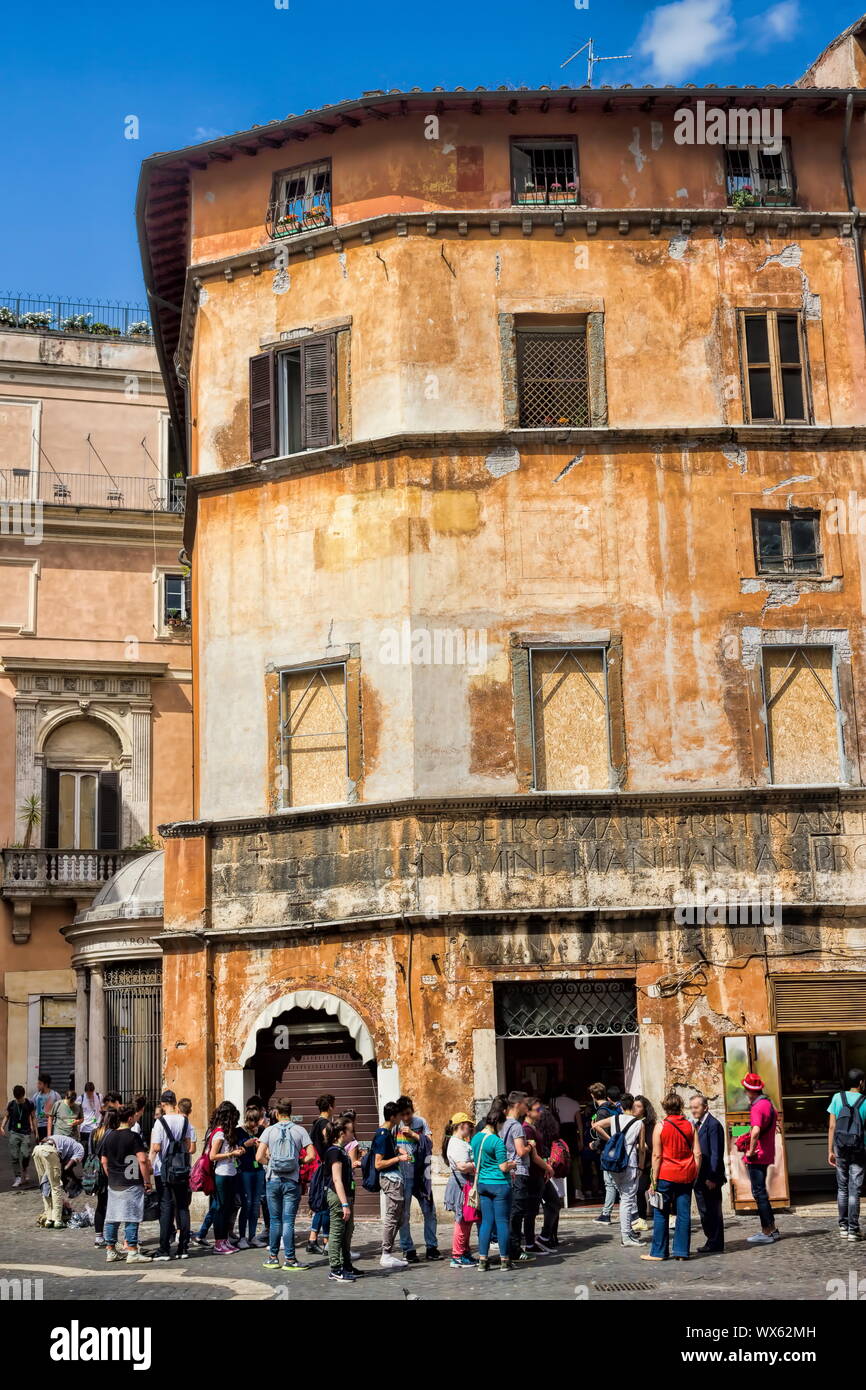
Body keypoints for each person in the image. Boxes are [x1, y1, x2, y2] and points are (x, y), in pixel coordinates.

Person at [641, 1091, 701, 1262]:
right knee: (683, 1214)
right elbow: (698, 1154)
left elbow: (656, 1156)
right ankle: (682, 1252)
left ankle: (659, 1252)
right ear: (681, 1106)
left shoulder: (661, 1126)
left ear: (665, 1107)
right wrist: (694, 1172)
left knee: (661, 1213)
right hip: (686, 1175)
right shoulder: (690, 1126)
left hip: (666, 1175)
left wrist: (653, 1180)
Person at [257, 1099, 314, 1270]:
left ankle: (273, 1258)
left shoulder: (269, 1130)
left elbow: (258, 1157)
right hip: (292, 1181)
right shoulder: (299, 1130)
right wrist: (298, 1162)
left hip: (273, 1180)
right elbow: (311, 1155)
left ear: (276, 1113)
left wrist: (271, 1162)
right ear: (290, 1112)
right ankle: (290, 1260)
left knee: (275, 1220)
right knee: (288, 1221)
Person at [592, 1091, 645, 1247]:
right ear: (633, 1106)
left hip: (615, 1163)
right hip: (630, 1163)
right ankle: (626, 1235)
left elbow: (596, 1125)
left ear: (621, 1106)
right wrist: (641, 1165)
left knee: (624, 1198)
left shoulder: (614, 1118)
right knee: (627, 1200)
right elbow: (641, 1149)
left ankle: (627, 1233)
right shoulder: (638, 1123)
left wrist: (611, 1140)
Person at [100, 1103, 151, 1263]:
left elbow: (103, 1161)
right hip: (131, 1182)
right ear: (129, 1118)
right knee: (131, 1217)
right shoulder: (133, 1136)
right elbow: (142, 1159)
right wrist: (147, 1181)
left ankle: (111, 1250)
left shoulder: (109, 1136)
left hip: (114, 1182)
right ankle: (133, 1252)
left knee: (112, 1216)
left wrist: (111, 1175)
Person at [149, 1089, 195, 1261]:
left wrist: (149, 1166)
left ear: (162, 1104)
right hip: (182, 1170)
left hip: (164, 1171)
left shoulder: (160, 1122)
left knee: (166, 1208)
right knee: (183, 1207)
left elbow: (156, 1148)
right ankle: (183, 1247)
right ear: (175, 1103)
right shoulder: (185, 1121)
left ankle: (164, 1249)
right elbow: (189, 1146)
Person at [471, 1105, 517, 1272]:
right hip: (499, 1185)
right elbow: (503, 1167)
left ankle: (483, 1260)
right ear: (497, 1122)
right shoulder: (496, 1141)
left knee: (486, 1223)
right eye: (502, 1124)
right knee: (502, 1222)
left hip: (483, 1184)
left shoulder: (475, 1138)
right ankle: (505, 1260)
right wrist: (513, 1164)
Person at [395, 1094, 441, 1261]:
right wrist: (399, 1151)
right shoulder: (395, 1125)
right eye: (403, 1115)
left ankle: (431, 1247)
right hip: (404, 1173)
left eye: (408, 1113)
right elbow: (390, 1146)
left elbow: (429, 1143)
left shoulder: (420, 1122)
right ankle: (408, 1248)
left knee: (430, 1211)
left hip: (422, 1173)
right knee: (404, 1213)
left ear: (412, 1111)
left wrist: (414, 1135)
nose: (406, 1118)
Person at [370, 1100, 413, 1268]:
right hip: (390, 1180)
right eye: (400, 1115)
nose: (402, 1118)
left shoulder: (387, 1133)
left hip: (395, 1179)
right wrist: (398, 1158)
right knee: (392, 1217)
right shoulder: (382, 1135)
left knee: (399, 1217)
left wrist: (397, 1150)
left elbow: (387, 1151)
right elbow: (378, 1164)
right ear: (393, 1117)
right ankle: (386, 1254)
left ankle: (388, 1253)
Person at [741, 1072, 781, 1246]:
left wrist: (750, 1150)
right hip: (766, 1153)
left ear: (750, 1091)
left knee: (759, 1193)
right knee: (762, 1192)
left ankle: (767, 1231)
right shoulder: (768, 1104)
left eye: (745, 1090)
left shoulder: (757, 1107)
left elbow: (756, 1130)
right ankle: (772, 1228)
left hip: (757, 1155)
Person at [828, 1068, 866, 1241]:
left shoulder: (837, 1097)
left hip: (840, 1147)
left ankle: (843, 1227)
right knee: (854, 1190)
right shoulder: (865, 1101)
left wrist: (830, 1150)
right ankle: (853, 1230)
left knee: (842, 1188)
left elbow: (832, 1127)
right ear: (860, 1082)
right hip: (859, 1149)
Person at [498, 1091, 536, 1262]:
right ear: (517, 1104)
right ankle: (514, 1250)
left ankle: (510, 1248)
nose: (526, 1107)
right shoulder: (516, 1126)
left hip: (508, 1172)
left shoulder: (502, 1124)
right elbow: (520, 1151)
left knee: (512, 1213)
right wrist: (530, 1145)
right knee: (517, 1213)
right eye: (524, 1103)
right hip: (518, 1172)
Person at [324, 1117, 360, 1282]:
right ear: (341, 1133)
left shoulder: (342, 1150)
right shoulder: (334, 1151)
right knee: (337, 1232)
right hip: (338, 1197)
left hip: (346, 1195)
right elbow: (336, 1179)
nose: (353, 1133)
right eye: (350, 1130)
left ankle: (346, 1265)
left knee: (347, 1232)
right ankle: (335, 1269)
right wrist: (344, 1203)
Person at [689, 1093, 727, 1254]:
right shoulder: (696, 1125)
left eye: (696, 1107)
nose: (693, 1111)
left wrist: (712, 1177)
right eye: (691, 1108)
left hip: (710, 1176)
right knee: (704, 1210)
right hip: (699, 1176)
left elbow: (716, 1154)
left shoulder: (713, 1125)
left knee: (713, 1210)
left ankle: (715, 1242)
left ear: (705, 1107)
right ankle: (710, 1239)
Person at [442, 1111, 477, 1267]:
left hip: (466, 1183)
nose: (470, 1129)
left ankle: (465, 1252)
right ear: (462, 1126)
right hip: (461, 1184)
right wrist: (477, 1165)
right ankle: (457, 1256)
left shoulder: (461, 1142)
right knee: (462, 1220)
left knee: (467, 1220)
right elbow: (462, 1166)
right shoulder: (456, 1143)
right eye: (469, 1126)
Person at [521, 1097, 554, 1253]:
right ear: (528, 1112)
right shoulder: (526, 1129)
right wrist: (548, 1167)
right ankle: (530, 1243)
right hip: (534, 1174)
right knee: (531, 1210)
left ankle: (544, 1237)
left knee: (553, 1202)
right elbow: (533, 1156)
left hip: (541, 1173)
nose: (541, 1112)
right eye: (537, 1109)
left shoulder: (534, 1127)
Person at [32, 1130, 84, 1228]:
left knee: (44, 1185)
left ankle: (48, 1219)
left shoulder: (67, 1144)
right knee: (55, 1187)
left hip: (37, 1149)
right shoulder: (80, 1150)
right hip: (49, 1151)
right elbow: (67, 1167)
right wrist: (74, 1180)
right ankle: (57, 1220)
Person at [305, 1093, 335, 1254]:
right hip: (324, 1169)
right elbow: (327, 1142)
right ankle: (314, 1241)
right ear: (330, 1106)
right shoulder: (324, 1124)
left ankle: (322, 1240)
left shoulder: (315, 1122)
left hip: (318, 1168)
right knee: (323, 1206)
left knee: (321, 1206)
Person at [533, 1100, 564, 1249]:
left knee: (545, 1205)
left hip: (542, 1168)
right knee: (555, 1203)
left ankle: (545, 1236)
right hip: (552, 1168)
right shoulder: (553, 1130)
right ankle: (552, 1236)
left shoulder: (534, 1132)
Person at [590, 1083, 622, 1225]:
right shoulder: (614, 1108)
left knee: (611, 1183)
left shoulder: (602, 1111)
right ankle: (610, 1212)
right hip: (617, 1148)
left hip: (608, 1150)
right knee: (615, 1182)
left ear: (592, 1096)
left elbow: (605, 1133)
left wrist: (595, 1144)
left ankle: (608, 1214)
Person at [235, 1103, 266, 1249]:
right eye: (252, 1121)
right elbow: (235, 1149)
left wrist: (260, 1145)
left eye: (256, 1121)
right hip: (245, 1171)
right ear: (247, 1119)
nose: (254, 1124)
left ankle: (252, 1236)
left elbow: (266, 1149)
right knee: (246, 1204)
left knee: (255, 1204)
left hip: (258, 1170)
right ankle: (242, 1237)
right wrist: (246, 1144)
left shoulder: (261, 1130)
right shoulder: (239, 1131)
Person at [91, 1108, 119, 1248]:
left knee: (100, 1204)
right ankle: (110, 1237)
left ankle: (98, 1236)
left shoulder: (94, 1132)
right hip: (109, 1171)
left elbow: (90, 1152)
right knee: (111, 1205)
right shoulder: (112, 1134)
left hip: (96, 1173)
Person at [2, 1084, 37, 1187]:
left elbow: (34, 1117)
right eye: (17, 1098)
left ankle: (25, 1169)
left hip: (25, 1132)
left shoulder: (29, 1104)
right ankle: (17, 1177)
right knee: (14, 1155)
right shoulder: (12, 1104)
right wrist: (2, 1126)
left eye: (20, 1098)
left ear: (23, 1095)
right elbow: (7, 1116)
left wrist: (36, 1131)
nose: (18, 1100)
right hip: (14, 1132)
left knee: (26, 1154)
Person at [632, 1095, 655, 1231]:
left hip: (648, 1164)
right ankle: (641, 1219)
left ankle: (669, 1216)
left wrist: (636, 1145)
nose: (635, 1108)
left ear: (645, 1109)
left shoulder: (649, 1125)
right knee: (639, 1191)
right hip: (638, 1163)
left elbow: (650, 1146)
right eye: (634, 1106)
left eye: (639, 1106)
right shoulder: (633, 1122)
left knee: (642, 1190)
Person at [31, 1075, 60, 1142]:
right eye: (38, 1083)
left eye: (40, 1083)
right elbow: (32, 1113)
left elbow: (60, 1112)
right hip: (39, 1126)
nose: (37, 1085)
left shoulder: (55, 1095)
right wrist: (33, 1126)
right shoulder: (36, 1096)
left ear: (45, 1084)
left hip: (52, 1126)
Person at [77, 1083, 103, 1155]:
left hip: (96, 1127)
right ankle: (85, 1163)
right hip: (84, 1127)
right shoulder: (81, 1098)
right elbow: (77, 1112)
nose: (89, 1095)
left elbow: (102, 1108)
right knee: (85, 1147)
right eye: (88, 1093)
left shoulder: (99, 1096)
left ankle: (94, 1162)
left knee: (96, 1147)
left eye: (91, 1093)